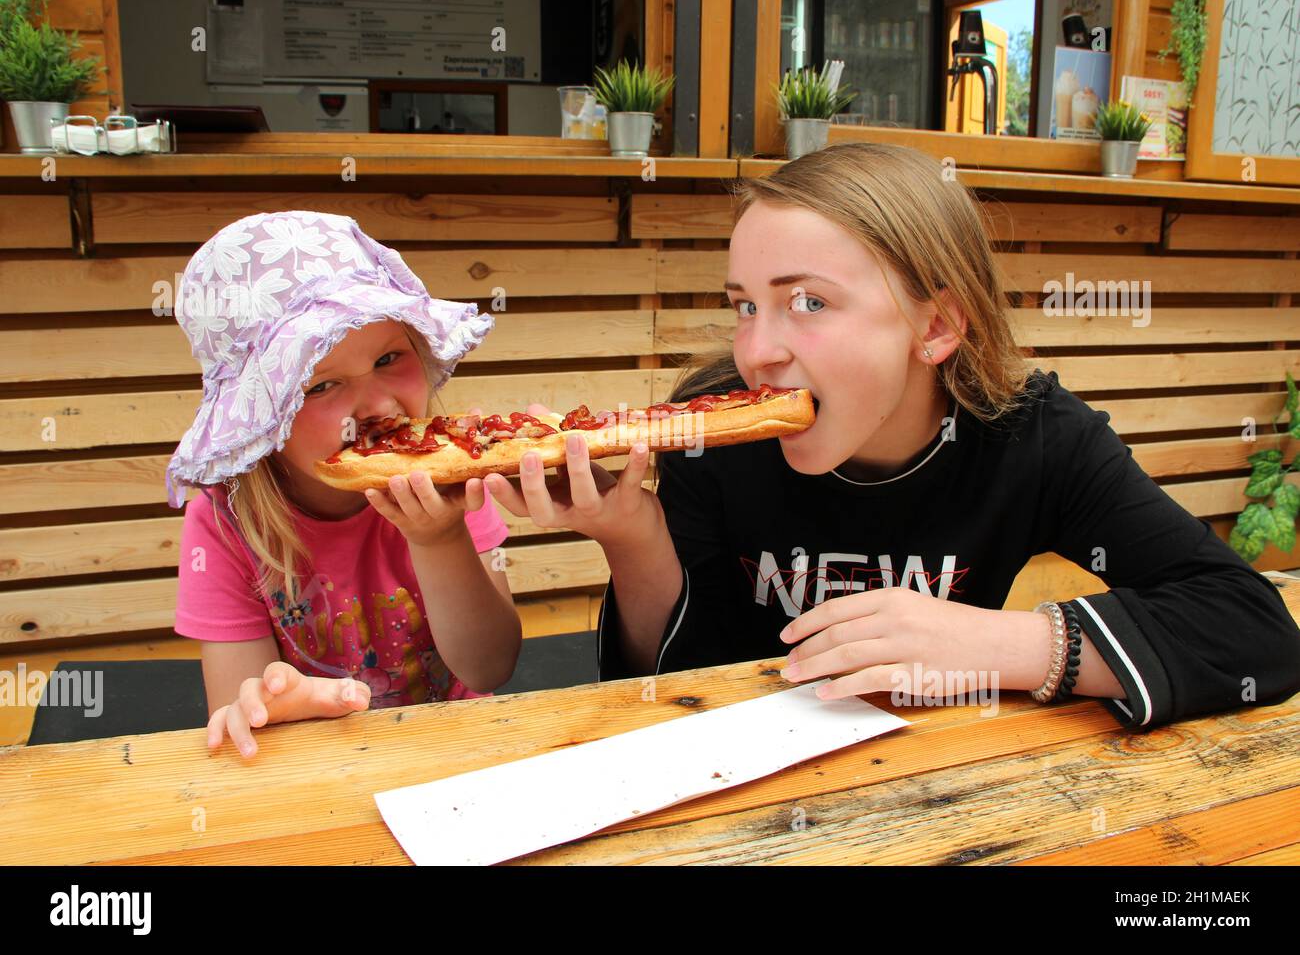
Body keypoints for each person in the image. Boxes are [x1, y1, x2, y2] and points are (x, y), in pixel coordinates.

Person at [485, 142, 1300, 731]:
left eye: (808, 302)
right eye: (745, 304)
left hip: (947, 770)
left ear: (936, 324)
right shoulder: (712, 426)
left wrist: (1010, 643)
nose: (758, 349)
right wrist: (630, 534)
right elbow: (676, 678)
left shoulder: (1035, 437)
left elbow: (1251, 629)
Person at [167, 211, 521, 758]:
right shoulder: (225, 525)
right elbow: (241, 720)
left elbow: (492, 665)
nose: (378, 406)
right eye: (321, 385)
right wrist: (278, 705)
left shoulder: (449, 480)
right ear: (261, 416)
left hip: (459, 752)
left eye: (388, 358)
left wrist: (439, 538)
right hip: (322, 766)